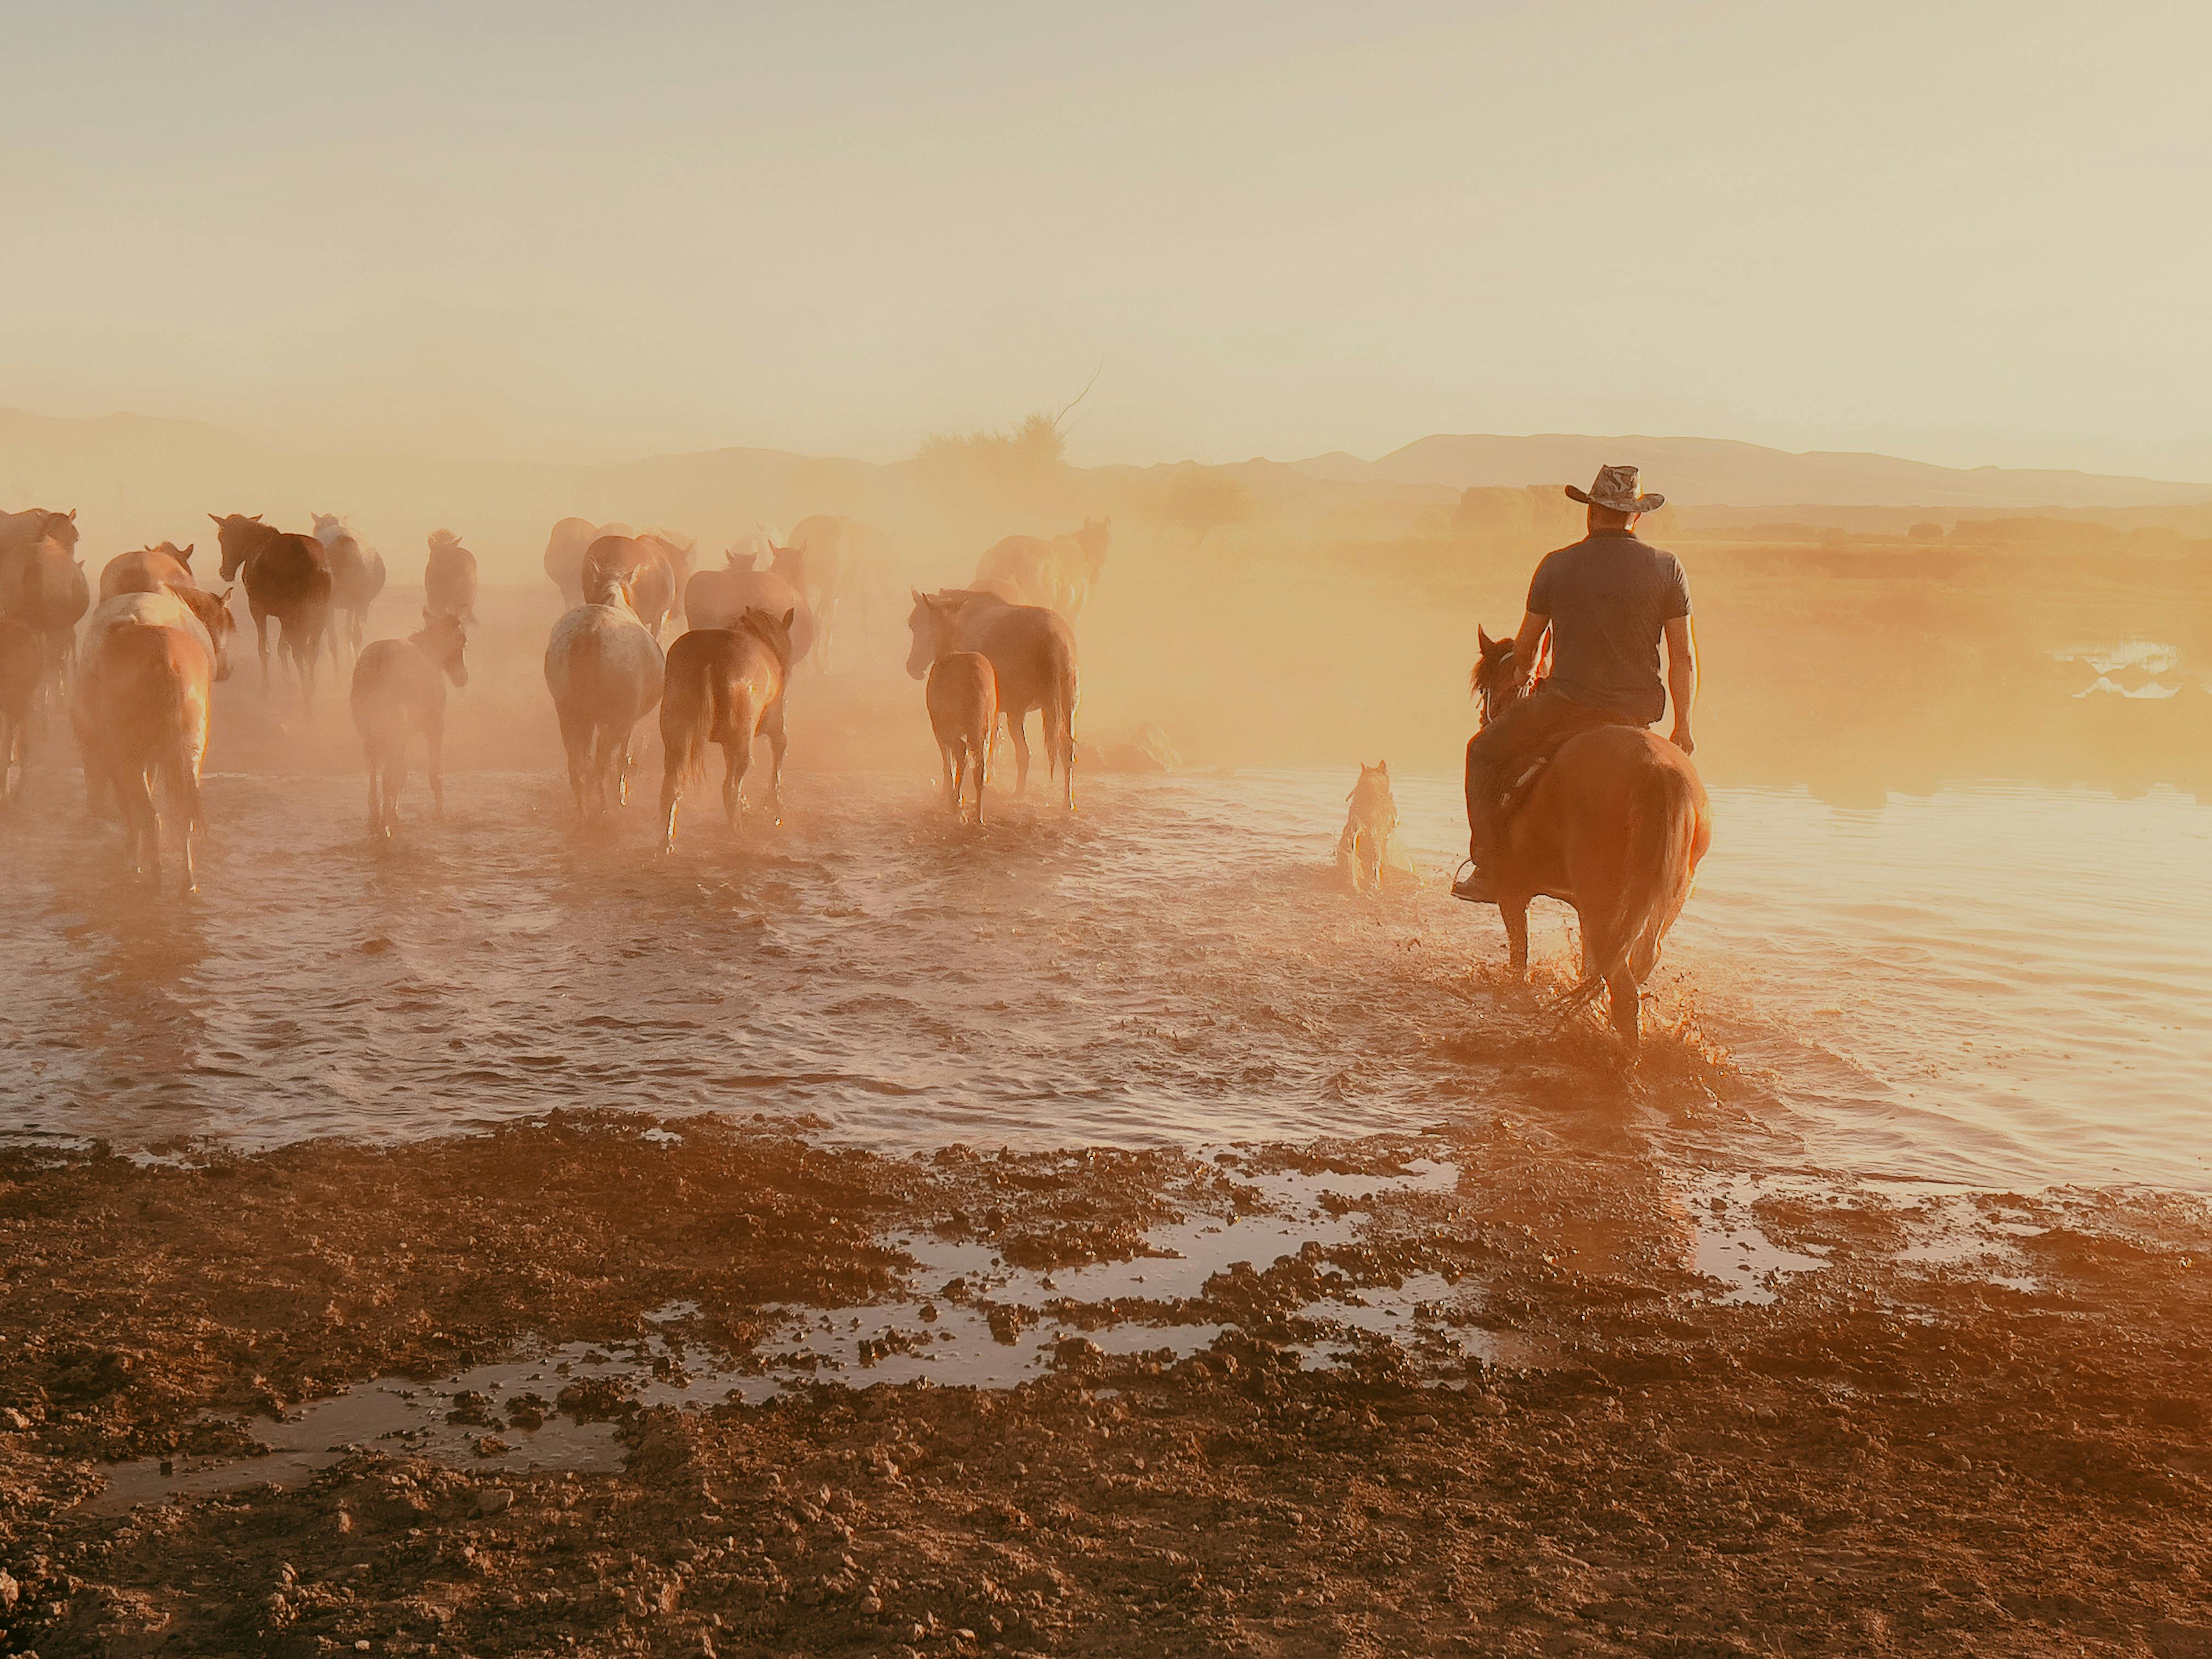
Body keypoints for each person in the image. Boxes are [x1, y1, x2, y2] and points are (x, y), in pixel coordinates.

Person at [1453, 464, 1697, 902]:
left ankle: (1488, 866)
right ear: (1635, 517)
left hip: (1567, 705)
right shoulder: (1668, 567)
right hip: (1635, 714)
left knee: (1482, 752)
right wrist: (1684, 726)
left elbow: (1527, 646)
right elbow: (1683, 657)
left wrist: (1526, 670)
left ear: (1590, 512)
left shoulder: (1557, 565)